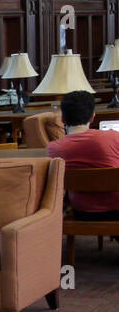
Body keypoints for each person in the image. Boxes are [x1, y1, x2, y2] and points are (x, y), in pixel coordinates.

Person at [47, 90, 119, 219]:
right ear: (92, 117)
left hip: (82, 212)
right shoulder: (114, 137)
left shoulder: (53, 149)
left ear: (63, 119)